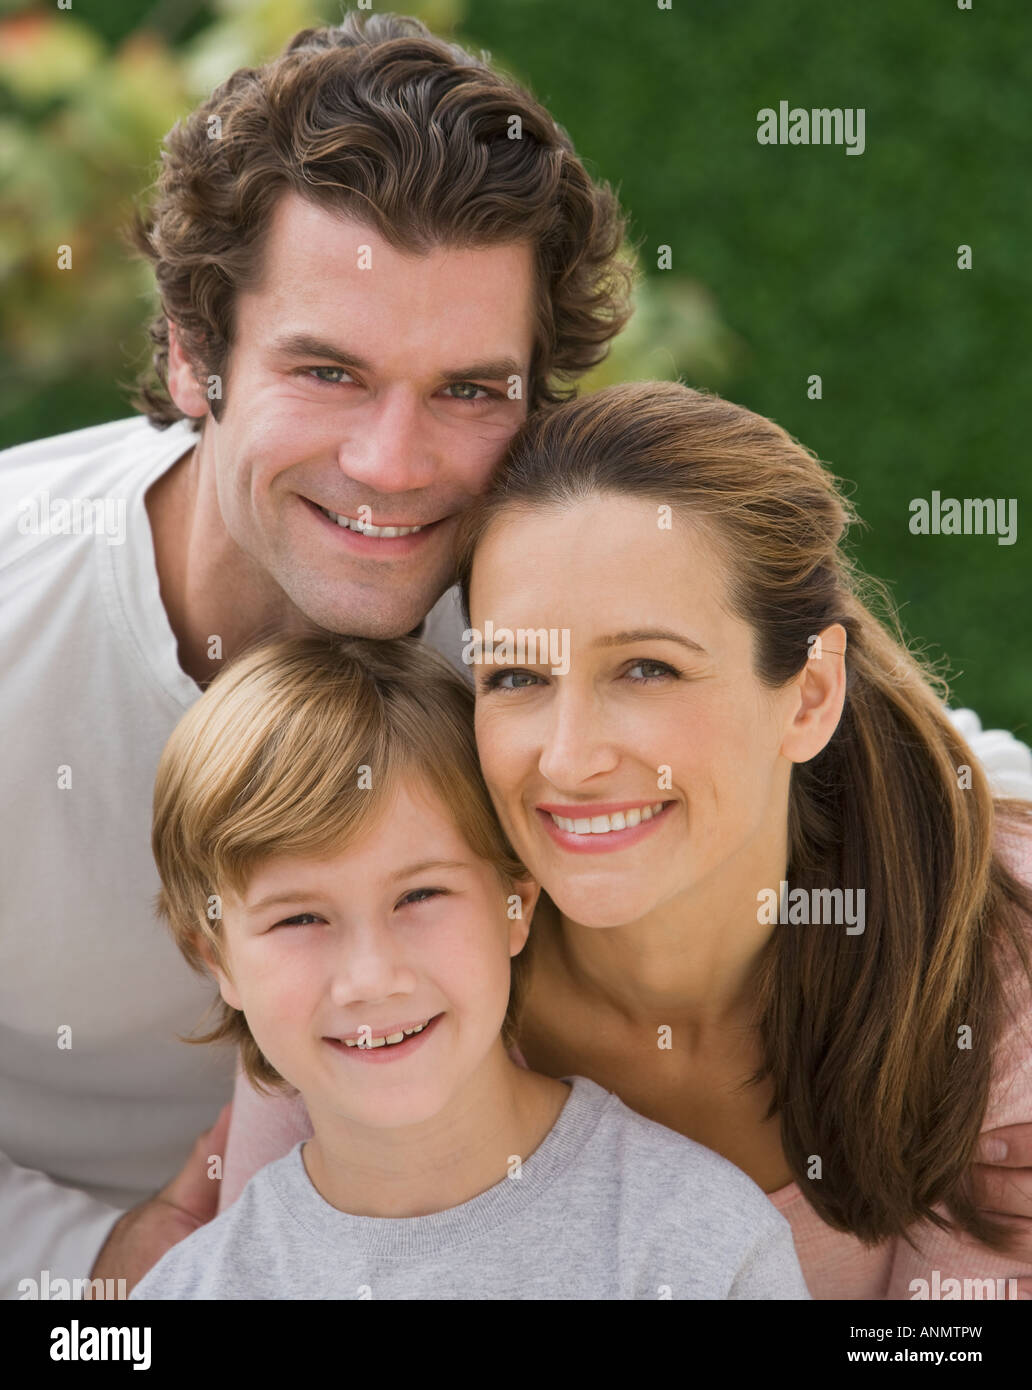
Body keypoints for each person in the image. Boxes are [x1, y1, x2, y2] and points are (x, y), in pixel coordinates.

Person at [0, 12, 633, 1299]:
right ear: (195, 355)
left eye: (469, 390)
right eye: (330, 372)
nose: (393, 466)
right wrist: (89, 1269)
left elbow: (919, 758)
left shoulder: (552, 602)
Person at [223, 382, 1032, 1299]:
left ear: (809, 695)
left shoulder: (991, 963)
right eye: (517, 676)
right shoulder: (372, 941)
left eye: (647, 668)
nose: (569, 761)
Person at [128, 634, 810, 1300]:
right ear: (217, 958)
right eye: (299, 919)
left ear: (517, 903)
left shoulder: (700, 1245)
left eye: (420, 896)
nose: (373, 977)